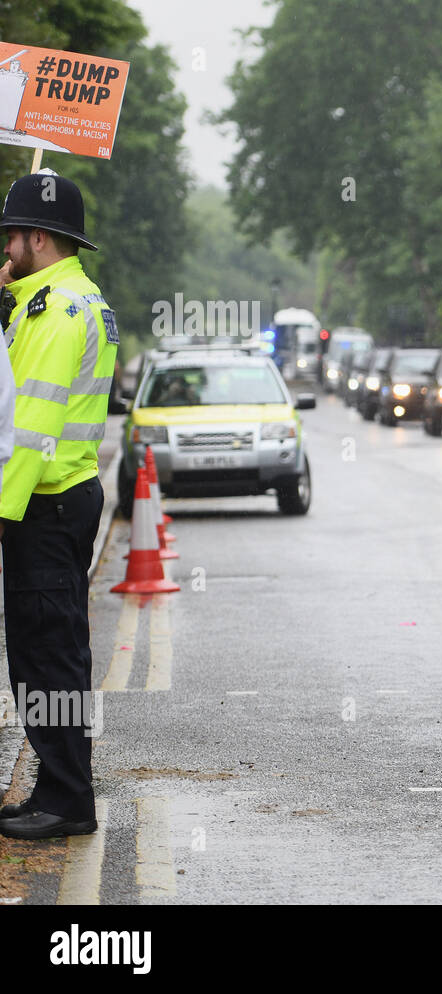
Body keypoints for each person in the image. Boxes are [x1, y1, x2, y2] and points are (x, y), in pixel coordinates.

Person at [0, 172, 118, 840]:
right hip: (62, 502)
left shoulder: (53, 314)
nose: (6, 246)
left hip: (43, 506)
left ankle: (68, 799)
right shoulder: (73, 298)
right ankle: (56, 785)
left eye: (12, 235)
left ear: (37, 237)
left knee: (48, 658)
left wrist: (1, 516)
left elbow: (30, 431)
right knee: (52, 652)